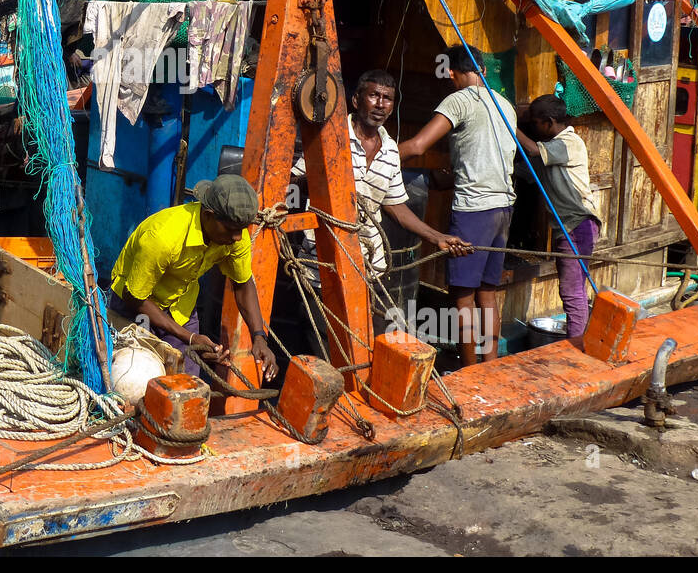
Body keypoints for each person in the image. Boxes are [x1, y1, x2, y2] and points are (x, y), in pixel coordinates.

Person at [291, 69, 472, 279]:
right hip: (321, 259)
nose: (380, 104)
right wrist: (320, 179)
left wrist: (437, 237)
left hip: (369, 263)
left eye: (387, 99)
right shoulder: (330, 139)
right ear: (357, 101)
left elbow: (395, 205)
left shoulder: (391, 150)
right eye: (374, 95)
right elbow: (293, 184)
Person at [399, 45, 517, 366]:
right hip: (504, 208)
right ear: (482, 69)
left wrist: (374, 158)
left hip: (474, 209)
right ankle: (489, 369)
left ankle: (469, 372)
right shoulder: (504, 104)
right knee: (487, 295)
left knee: (462, 296)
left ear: (452, 72)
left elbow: (418, 145)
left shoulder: (459, 100)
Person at [108, 173, 278, 382]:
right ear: (208, 216)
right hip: (135, 306)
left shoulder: (234, 237)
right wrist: (188, 337)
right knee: (132, 380)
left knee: (186, 388)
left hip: (180, 307)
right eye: (231, 229)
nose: (237, 237)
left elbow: (242, 284)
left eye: (242, 229)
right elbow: (134, 297)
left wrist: (259, 337)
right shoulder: (162, 237)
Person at [515, 94, 599, 338]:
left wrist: (508, 122)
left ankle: (575, 346)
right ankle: (578, 340)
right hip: (572, 227)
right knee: (574, 290)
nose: (533, 128)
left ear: (549, 122)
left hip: (578, 225)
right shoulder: (549, 153)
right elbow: (527, 170)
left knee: (572, 291)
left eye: (535, 124)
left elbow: (531, 149)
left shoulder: (568, 143)